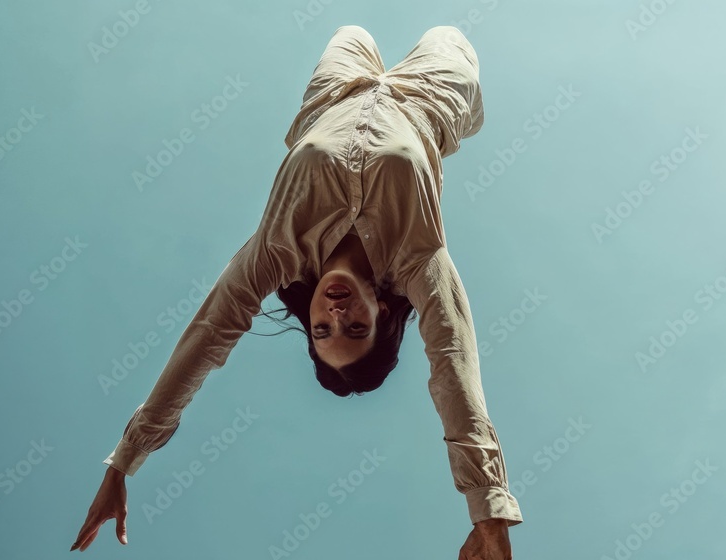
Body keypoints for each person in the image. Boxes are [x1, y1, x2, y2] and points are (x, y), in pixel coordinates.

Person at [72, 25, 523, 558]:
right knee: (449, 33)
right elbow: (453, 365)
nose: (335, 312)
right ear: (382, 312)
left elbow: (207, 337)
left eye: (322, 328)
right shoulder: (418, 259)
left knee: (351, 28)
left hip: (335, 90)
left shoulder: (274, 253)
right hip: (430, 98)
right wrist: (487, 507)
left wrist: (126, 459)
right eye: (355, 327)